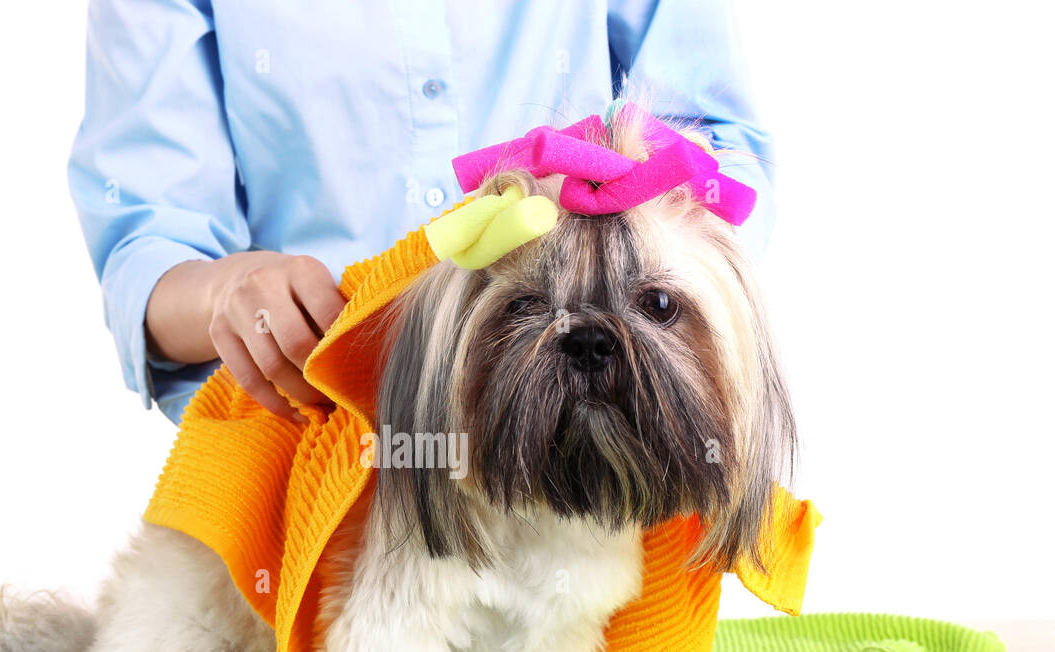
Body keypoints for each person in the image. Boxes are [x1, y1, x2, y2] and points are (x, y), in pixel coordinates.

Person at [68, 0, 773, 426]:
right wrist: (228, 292)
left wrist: (637, 185)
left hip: (590, 464)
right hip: (318, 441)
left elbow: (718, 158)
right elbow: (147, 242)